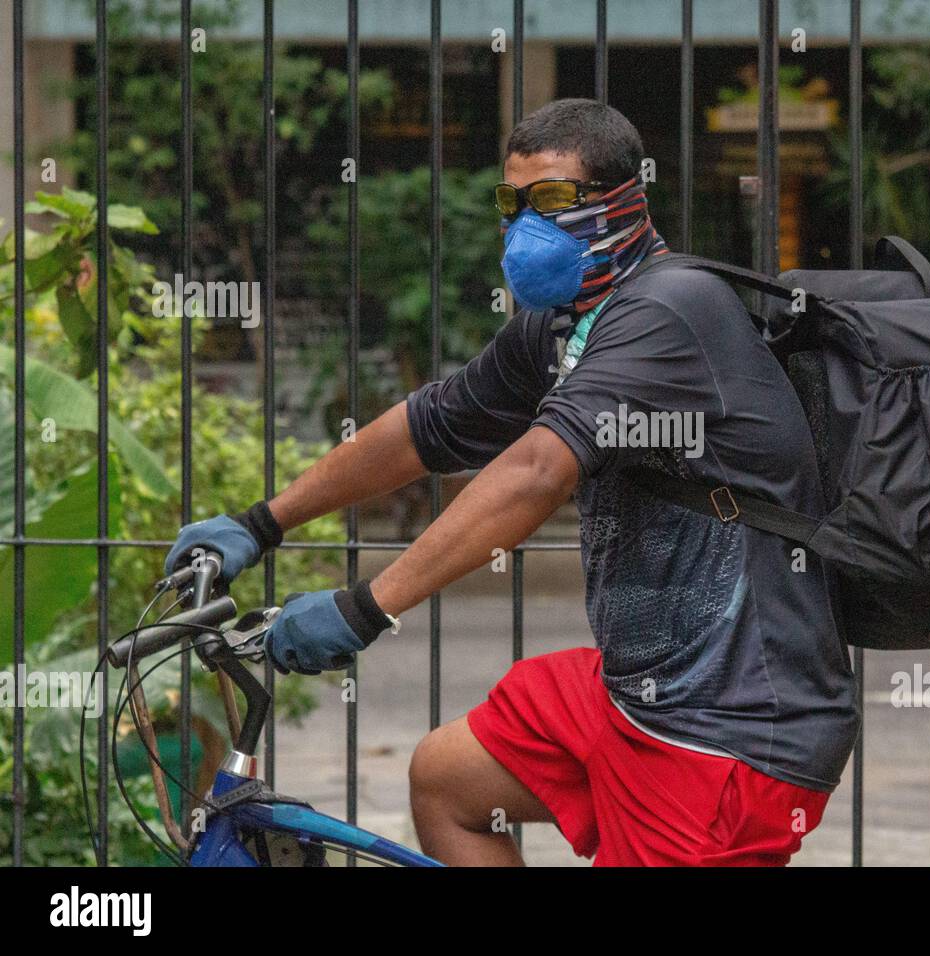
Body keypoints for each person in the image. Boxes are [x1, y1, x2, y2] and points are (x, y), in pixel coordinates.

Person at [166, 98, 859, 866]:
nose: (527, 223)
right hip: (635, 694)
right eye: (514, 202)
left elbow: (535, 470)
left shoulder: (672, 309)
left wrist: (366, 607)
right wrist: (262, 522)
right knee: (447, 783)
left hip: (730, 728)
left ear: (623, 202)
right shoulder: (563, 321)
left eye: (555, 200)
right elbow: (430, 426)